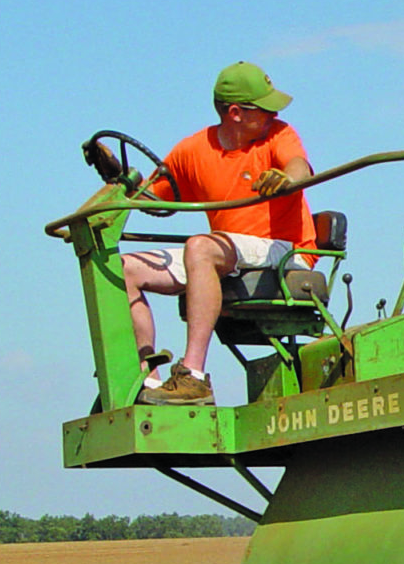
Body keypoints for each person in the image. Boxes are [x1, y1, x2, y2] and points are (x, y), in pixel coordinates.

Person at [123, 61, 315, 405]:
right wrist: (120, 180)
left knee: (200, 247)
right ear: (235, 113)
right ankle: (147, 382)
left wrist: (288, 179)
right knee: (124, 270)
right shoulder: (194, 149)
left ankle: (193, 377)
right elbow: (152, 199)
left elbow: (299, 167)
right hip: (229, 252)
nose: (273, 114)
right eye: (264, 107)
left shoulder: (278, 134)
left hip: (286, 250)